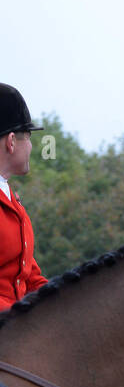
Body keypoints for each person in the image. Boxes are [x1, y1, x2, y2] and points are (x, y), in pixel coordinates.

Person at [0, 83, 46, 311]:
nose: (30, 146)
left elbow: (28, 275)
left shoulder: (11, 199)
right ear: (11, 142)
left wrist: (63, 301)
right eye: (27, 136)